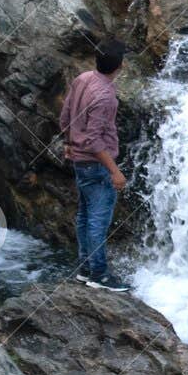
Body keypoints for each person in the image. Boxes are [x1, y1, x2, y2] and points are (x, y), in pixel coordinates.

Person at [59, 39, 132, 292]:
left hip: (80, 162)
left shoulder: (83, 78)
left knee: (84, 215)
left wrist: (68, 141)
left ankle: (85, 268)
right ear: (120, 66)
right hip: (96, 166)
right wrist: (115, 171)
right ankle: (99, 274)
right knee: (97, 221)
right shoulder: (106, 97)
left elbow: (66, 113)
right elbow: (93, 139)